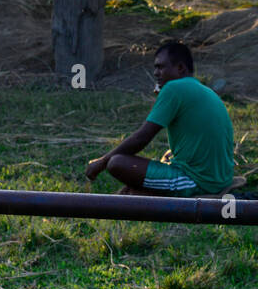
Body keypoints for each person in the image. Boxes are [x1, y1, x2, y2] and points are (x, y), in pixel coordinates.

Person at [85, 40, 235, 196]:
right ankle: (139, 194)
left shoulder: (174, 88)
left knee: (117, 163)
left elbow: (142, 138)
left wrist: (102, 162)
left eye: (161, 67)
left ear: (180, 68)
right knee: (163, 159)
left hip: (198, 181)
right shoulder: (204, 90)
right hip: (220, 179)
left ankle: (144, 194)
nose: (156, 73)